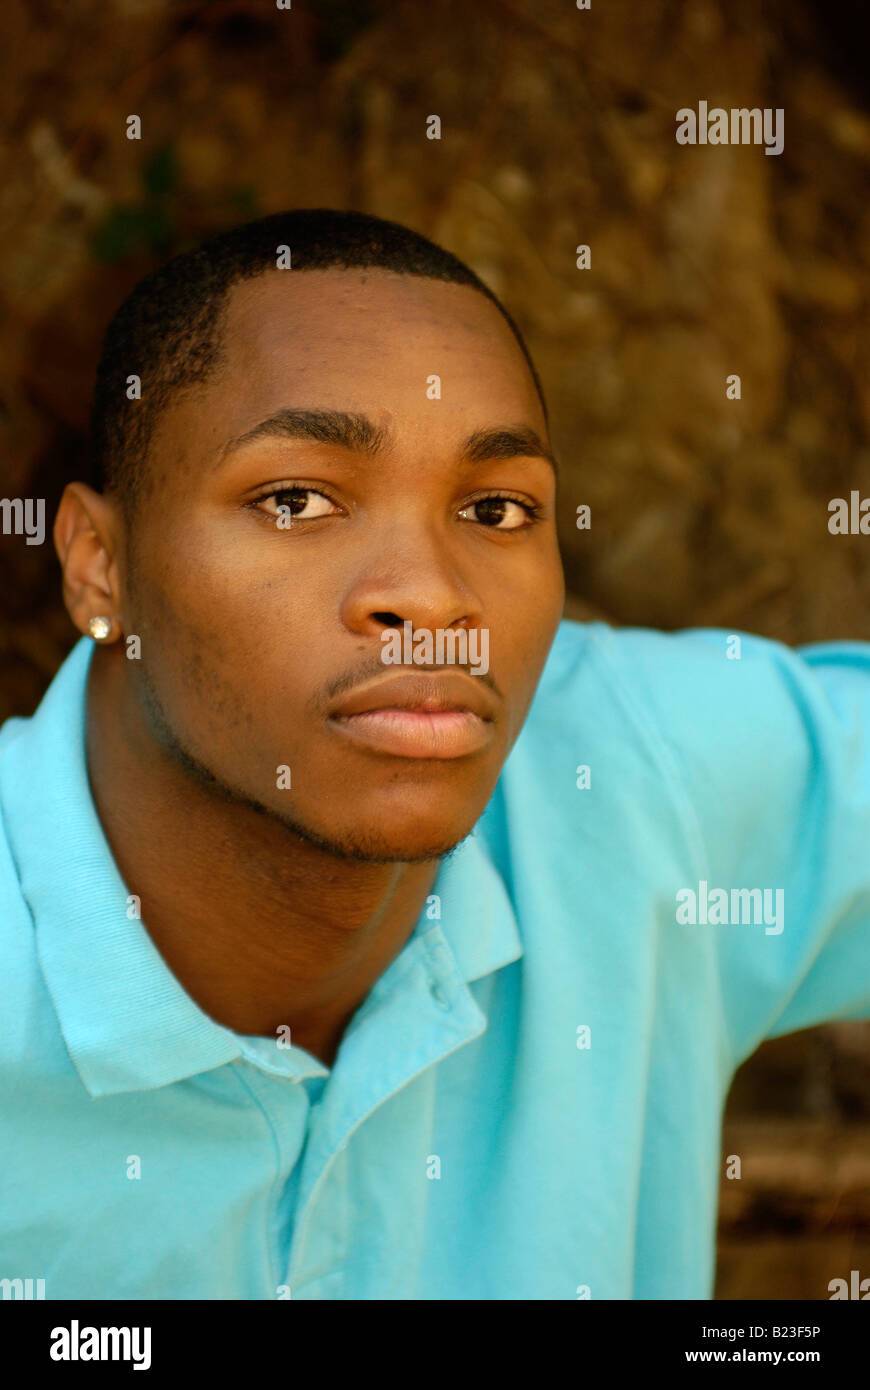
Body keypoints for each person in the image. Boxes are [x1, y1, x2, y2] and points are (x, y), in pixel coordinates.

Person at [1, 209, 867, 1300]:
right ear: (98, 566)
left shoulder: (637, 777)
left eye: (496, 508)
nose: (435, 596)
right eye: (297, 499)